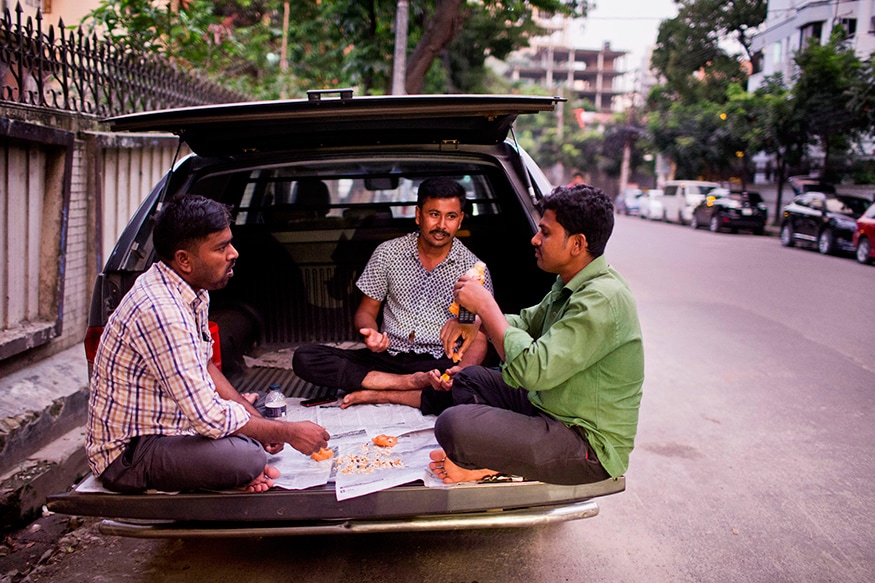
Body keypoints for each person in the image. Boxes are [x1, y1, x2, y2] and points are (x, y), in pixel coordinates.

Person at [86, 195, 330, 494]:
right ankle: (239, 471)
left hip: (174, 429)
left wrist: (257, 423)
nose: (234, 253)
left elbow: (205, 366)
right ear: (184, 259)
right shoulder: (161, 310)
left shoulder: (192, 291)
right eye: (221, 247)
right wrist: (286, 433)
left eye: (230, 243)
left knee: (260, 416)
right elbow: (208, 416)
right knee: (247, 455)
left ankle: (233, 469)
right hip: (131, 456)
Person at [429, 183, 644, 486]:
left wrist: (486, 306)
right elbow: (526, 322)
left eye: (546, 232)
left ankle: (492, 465)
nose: (535, 239)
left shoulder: (602, 299)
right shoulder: (571, 283)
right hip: (548, 406)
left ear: (577, 244)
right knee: (468, 379)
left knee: (453, 425)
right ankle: (499, 452)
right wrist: (476, 323)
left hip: (584, 443)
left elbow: (532, 371)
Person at [292, 177, 492, 414]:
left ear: (459, 220)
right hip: (388, 359)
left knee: (475, 388)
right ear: (418, 215)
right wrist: (372, 334)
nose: (441, 225)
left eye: (450, 216)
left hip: (439, 365)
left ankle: (379, 393)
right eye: (434, 214)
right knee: (305, 357)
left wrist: (462, 373)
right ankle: (409, 386)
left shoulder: (473, 269)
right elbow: (366, 312)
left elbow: (478, 334)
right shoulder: (388, 253)